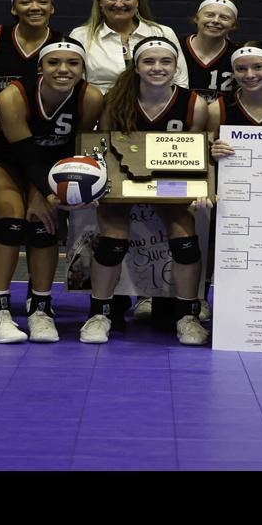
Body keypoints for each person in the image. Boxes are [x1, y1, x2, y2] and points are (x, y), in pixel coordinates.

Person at [74, 37, 213, 346]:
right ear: (136, 66)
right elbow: (105, 147)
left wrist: (202, 188)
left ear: (176, 67)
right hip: (125, 181)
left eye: (165, 62)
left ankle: (187, 316)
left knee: (186, 240)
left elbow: (197, 153)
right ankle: (100, 314)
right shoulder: (115, 100)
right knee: (112, 240)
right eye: (149, 61)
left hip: (168, 182)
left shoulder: (193, 103)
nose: (157, 67)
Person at [0, 40, 103, 344]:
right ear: (40, 67)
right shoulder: (13, 96)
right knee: (11, 219)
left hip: (53, 166)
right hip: (4, 161)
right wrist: (41, 193)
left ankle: (41, 307)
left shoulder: (90, 98)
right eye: (54, 62)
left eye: (72, 63)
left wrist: (47, 194)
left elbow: (77, 148)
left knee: (44, 225)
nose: (63, 69)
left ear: (83, 69)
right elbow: (27, 154)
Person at [68, 0, 186, 93]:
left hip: (154, 109)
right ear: (100, 2)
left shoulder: (162, 33)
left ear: (138, 1)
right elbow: (75, 86)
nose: (119, 4)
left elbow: (180, 82)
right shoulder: (80, 36)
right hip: (99, 109)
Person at [0, 0, 65, 97]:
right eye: (25, 2)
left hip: (42, 112)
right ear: (14, 9)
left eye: (43, 2)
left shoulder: (60, 43)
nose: (35, 7)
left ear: (52, 8)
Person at [184, 0, 239, 102]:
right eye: (209, 15)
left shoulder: (238, 56)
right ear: (196, 18)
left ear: (233, 25)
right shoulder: (176, 50)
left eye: (224, 17)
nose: (216, 20)